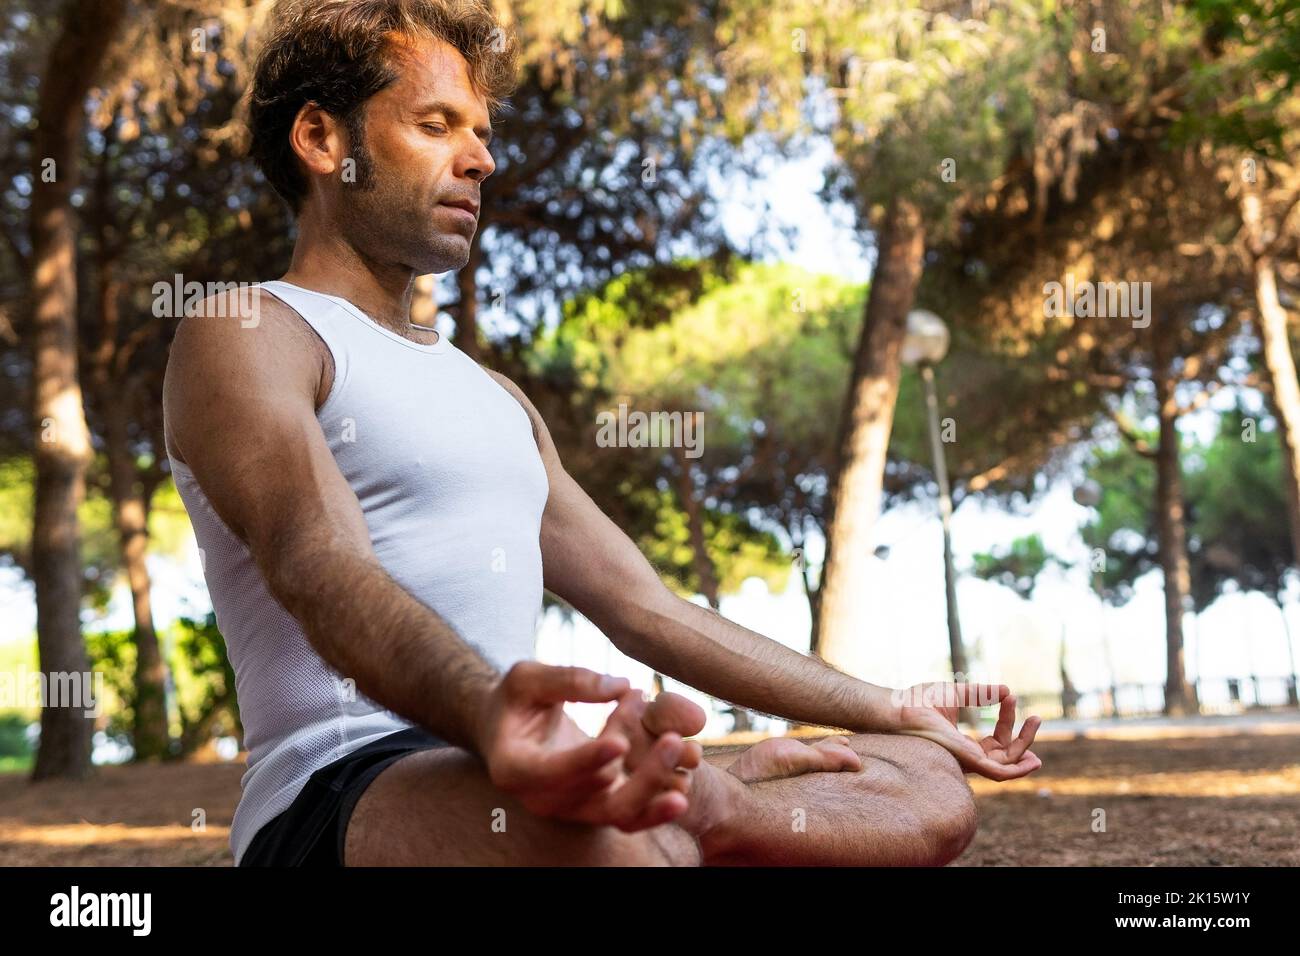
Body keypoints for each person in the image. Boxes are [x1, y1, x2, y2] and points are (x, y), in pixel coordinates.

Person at [162, 0, 1041, 867]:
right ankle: (691, 818)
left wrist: (886, 707)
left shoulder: (493, 394)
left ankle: (703, 811)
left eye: (480, 129)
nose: (481, 158)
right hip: (340, 789)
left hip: (520, 769)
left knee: (925, 781)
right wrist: (490, 711)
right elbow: (316, 558)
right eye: (436, 125)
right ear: (322, 140)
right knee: (611, 840)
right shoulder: (248, 329)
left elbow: (648, 612)